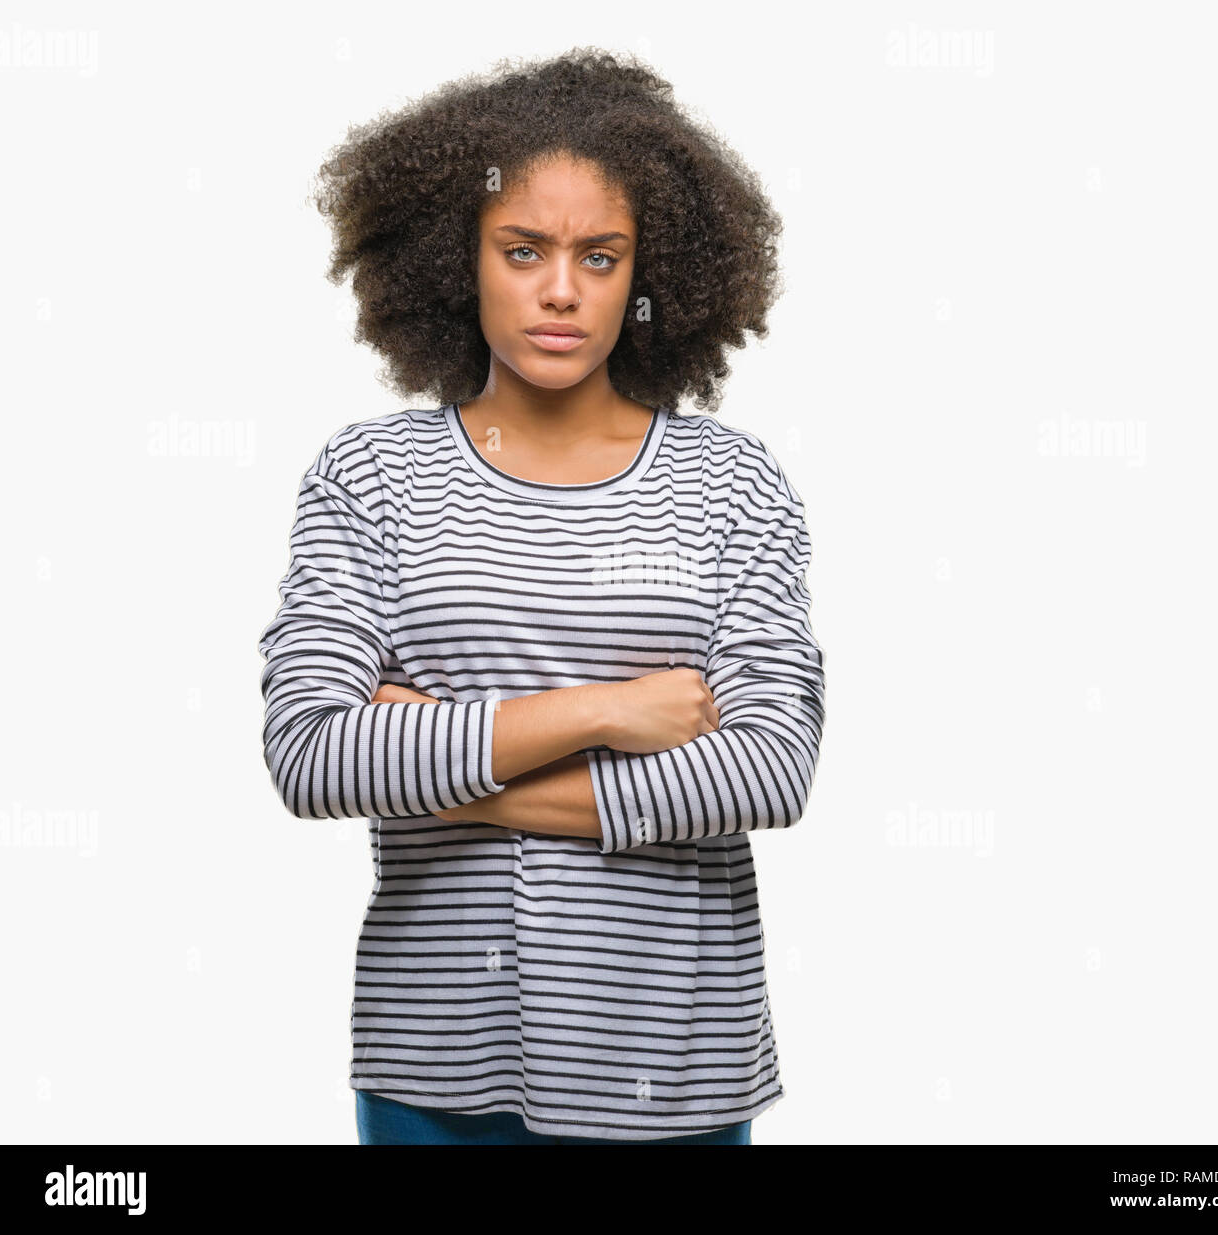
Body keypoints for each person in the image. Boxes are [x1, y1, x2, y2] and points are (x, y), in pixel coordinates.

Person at [258, 48, 826, 1145]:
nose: (560, 288)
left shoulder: (733, 485)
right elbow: (311, 753)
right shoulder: (369, 479)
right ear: (457, 262)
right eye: (522, 251)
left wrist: (438, 764)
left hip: (672, 1064)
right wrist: (607, 710)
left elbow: (769, 765)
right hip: (437, 1062)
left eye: (598, 256)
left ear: (646, 273)